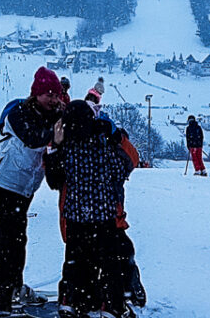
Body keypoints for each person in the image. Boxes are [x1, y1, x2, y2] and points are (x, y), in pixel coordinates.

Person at [0, 66, 67, 314]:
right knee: (13, 234)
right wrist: (56, 136)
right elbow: (33, 137)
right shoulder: (19, 112)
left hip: (23, 183)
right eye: (48, 94)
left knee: (5, 227)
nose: (53, 99)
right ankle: (6, 286)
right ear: (35, 94)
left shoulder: (55, 113)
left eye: (55, 94)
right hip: (4, 177)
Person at [45, 101, 138, 317]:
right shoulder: (104, 145)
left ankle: (72, 300)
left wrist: (55, 148)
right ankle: (112, 306)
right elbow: (123, 168)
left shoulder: (66, 148)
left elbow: (54, 180)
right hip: (103, 215)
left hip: (76, 215)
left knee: (75, 262)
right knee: (109, 263)